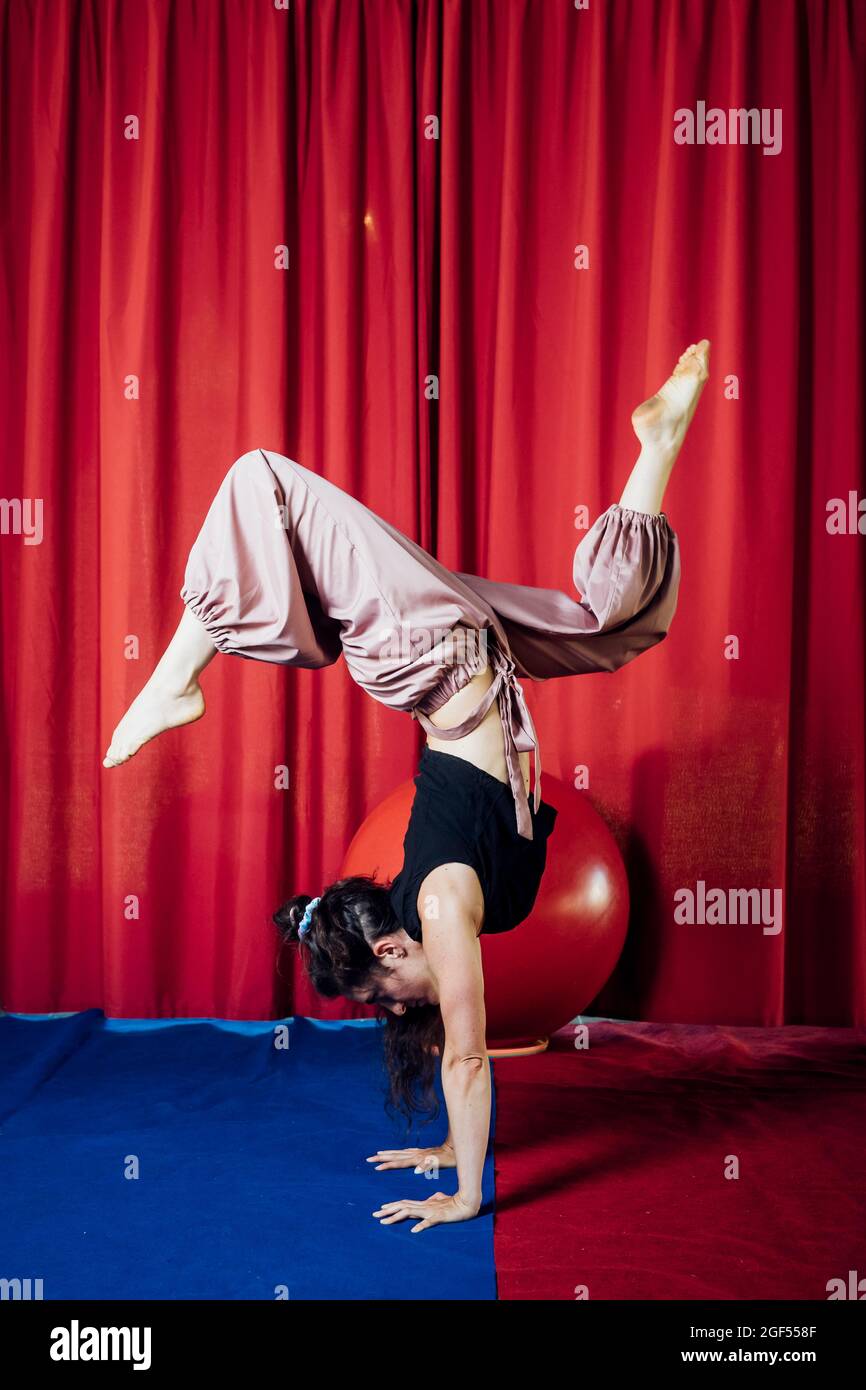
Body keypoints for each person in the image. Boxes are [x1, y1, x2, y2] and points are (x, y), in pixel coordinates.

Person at [103, 340, 710, 1232]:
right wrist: (445, 1149)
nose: (406, 1007)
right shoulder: (442, 896)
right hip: (470, 648)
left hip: (423, 648)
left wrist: (465, 1194)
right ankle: (655, 447)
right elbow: (457, 1052)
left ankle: (177, 676)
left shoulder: (439, 902)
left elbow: (468, 1059)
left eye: (389, 998)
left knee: (260, 478)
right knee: (614, 627)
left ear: (389, 954)